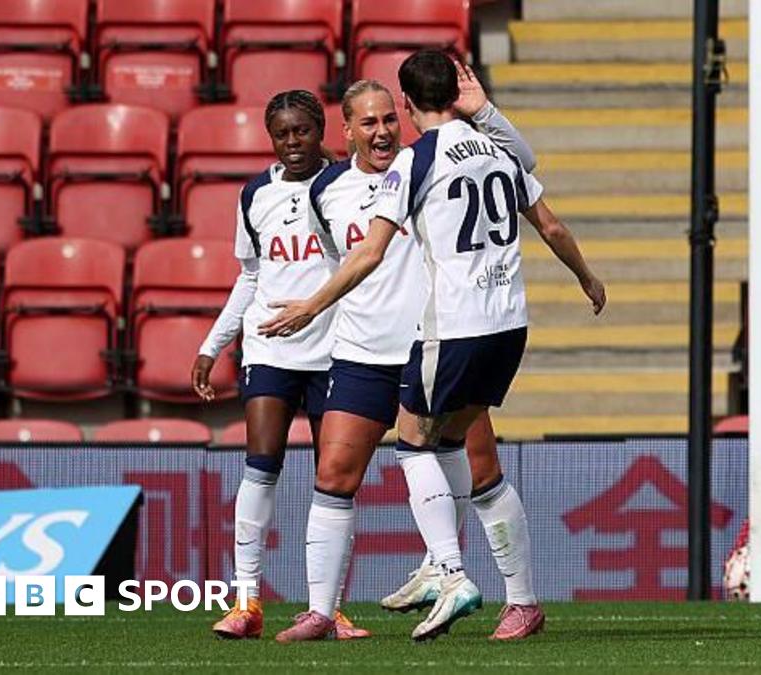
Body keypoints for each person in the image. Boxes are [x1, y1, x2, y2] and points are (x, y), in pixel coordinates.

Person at [258, 49, 606, 641]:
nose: (384, 130)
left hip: (452, 329)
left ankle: (450, 571)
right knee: (438, 444)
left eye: (392, 115)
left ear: (409, 107)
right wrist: (586, 276)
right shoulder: (498, 149)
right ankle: (501, 594)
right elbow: (548, 221)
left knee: (417, 444)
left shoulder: (416, 163)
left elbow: (368, 253)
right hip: (509, 324)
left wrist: (310, 306)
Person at [193, 90, 369, 640]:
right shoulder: (255, 195)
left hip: (336, 348)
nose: (293, 143)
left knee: (333, 481)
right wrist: (212, 343)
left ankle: (329, 607)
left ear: (323, 131)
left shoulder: (349, 187)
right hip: (270, 346)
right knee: (260, 464)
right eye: (282, 134)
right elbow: (250, 276)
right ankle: (246, 602)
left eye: (303, 131)